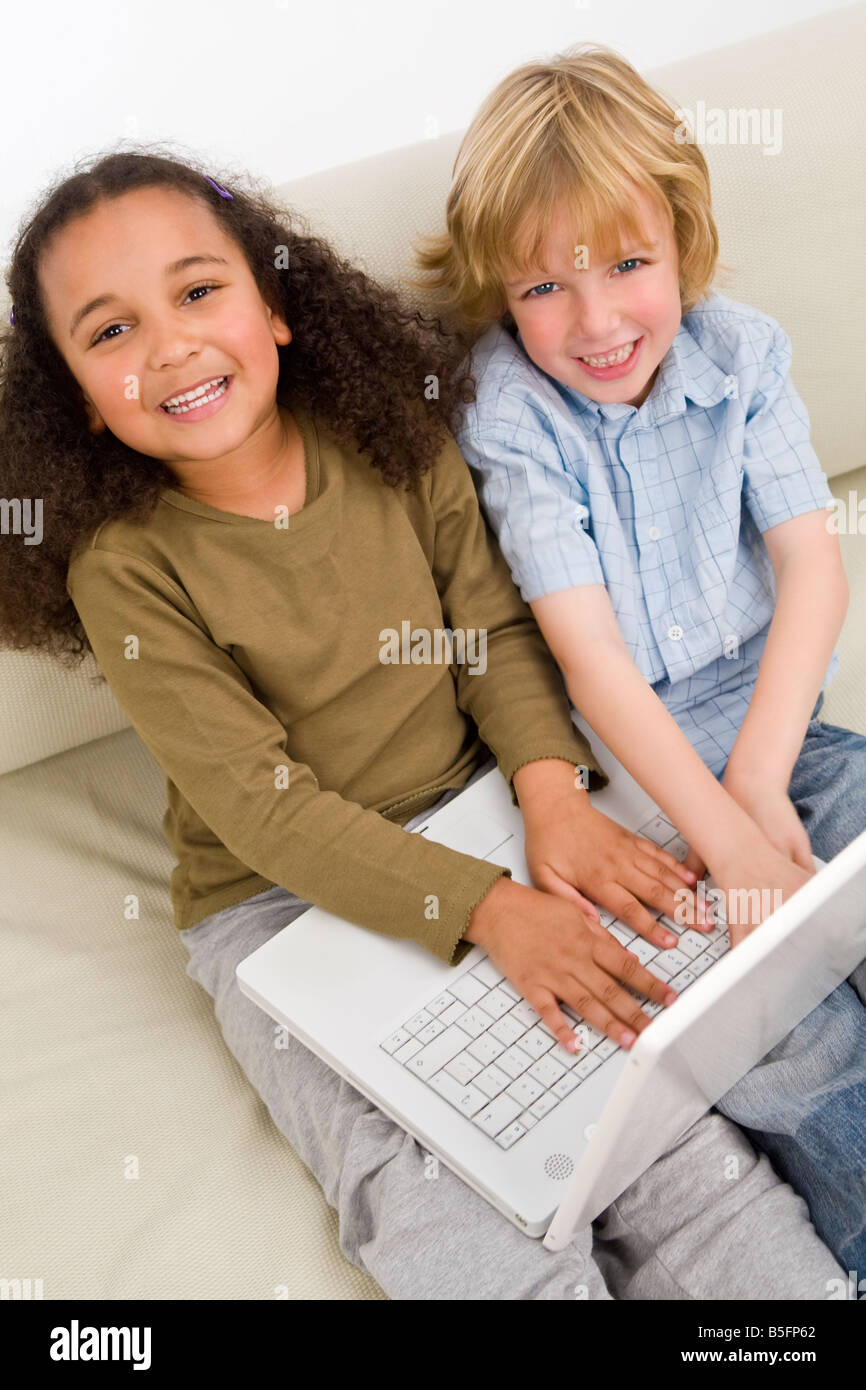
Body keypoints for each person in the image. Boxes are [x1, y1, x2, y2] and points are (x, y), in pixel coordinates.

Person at [0, 146, 850, 1300]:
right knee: (435, 1199)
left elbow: (494, 631)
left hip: (487, 813)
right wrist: (489, 912)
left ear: (276, 306)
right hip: (274, 907)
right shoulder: (127, 569)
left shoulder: (394, 439)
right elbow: (261, 806)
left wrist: (550, 792)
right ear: (76, 401)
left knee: (661, 1139)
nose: (169, 346)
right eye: (109, 332)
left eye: (198, 291)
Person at [411, 42, 866, 1276]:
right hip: (625, 762)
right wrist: (720, 836)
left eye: (626, 266)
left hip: (771, 720)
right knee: (784, 1019)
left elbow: (811, 570)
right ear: (501, 294)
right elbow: (590, 657)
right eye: (546, 286)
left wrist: (760, 788)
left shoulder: (741, 355)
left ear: (684, 250)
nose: (598, 320)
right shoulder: (509, 409)